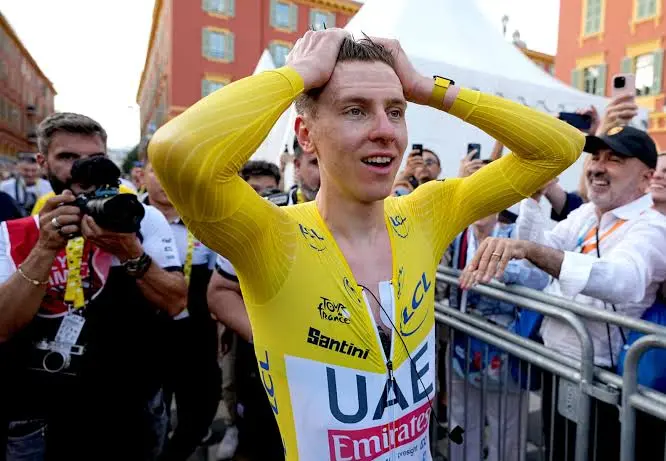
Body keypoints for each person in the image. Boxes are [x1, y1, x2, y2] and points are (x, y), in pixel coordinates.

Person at [149, 29, 583, 461]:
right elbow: (178, 151)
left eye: (395, 111)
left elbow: (559, 148)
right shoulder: (271, 237)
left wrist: (427, 88)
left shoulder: (426, 214)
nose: (385, 131)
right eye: (355, 110)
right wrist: (298, 75)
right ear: (306, 135)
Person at [462, 126, 666, 461]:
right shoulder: (586, 213)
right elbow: (540, 255)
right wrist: (533, 198)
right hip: (560, 367)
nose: (597, 167)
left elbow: (622, 280)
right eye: (595, 157)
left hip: (605, 381)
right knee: (557, 448)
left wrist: (530, 250)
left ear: (646, 178)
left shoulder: (652, 227)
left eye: (614, 159)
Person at [0, 112, 188, 460]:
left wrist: (129, 250)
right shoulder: (14, 234)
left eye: (94, 158)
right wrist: (45, 248)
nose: (83, 170)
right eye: (68, 157)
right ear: (43, 162)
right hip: (40, 414)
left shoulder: (141, 218)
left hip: (129, 405)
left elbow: (176, 301)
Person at [208, 161, 295, 461]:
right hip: (257, 350)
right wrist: (266, 339)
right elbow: (218, 293)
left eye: (268, 190)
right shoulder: (240, 228)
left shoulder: (299, 220)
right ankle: (235, 426)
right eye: (253, 190)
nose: (262, 198)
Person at [143, 160, 221, 461]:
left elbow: (219, 282)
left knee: (200, 405)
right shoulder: (125, 215)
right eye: (157, 171)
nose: (165, 180)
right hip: (141, 333)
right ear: (141, 174)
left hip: (194, 331)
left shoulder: (205, 219)